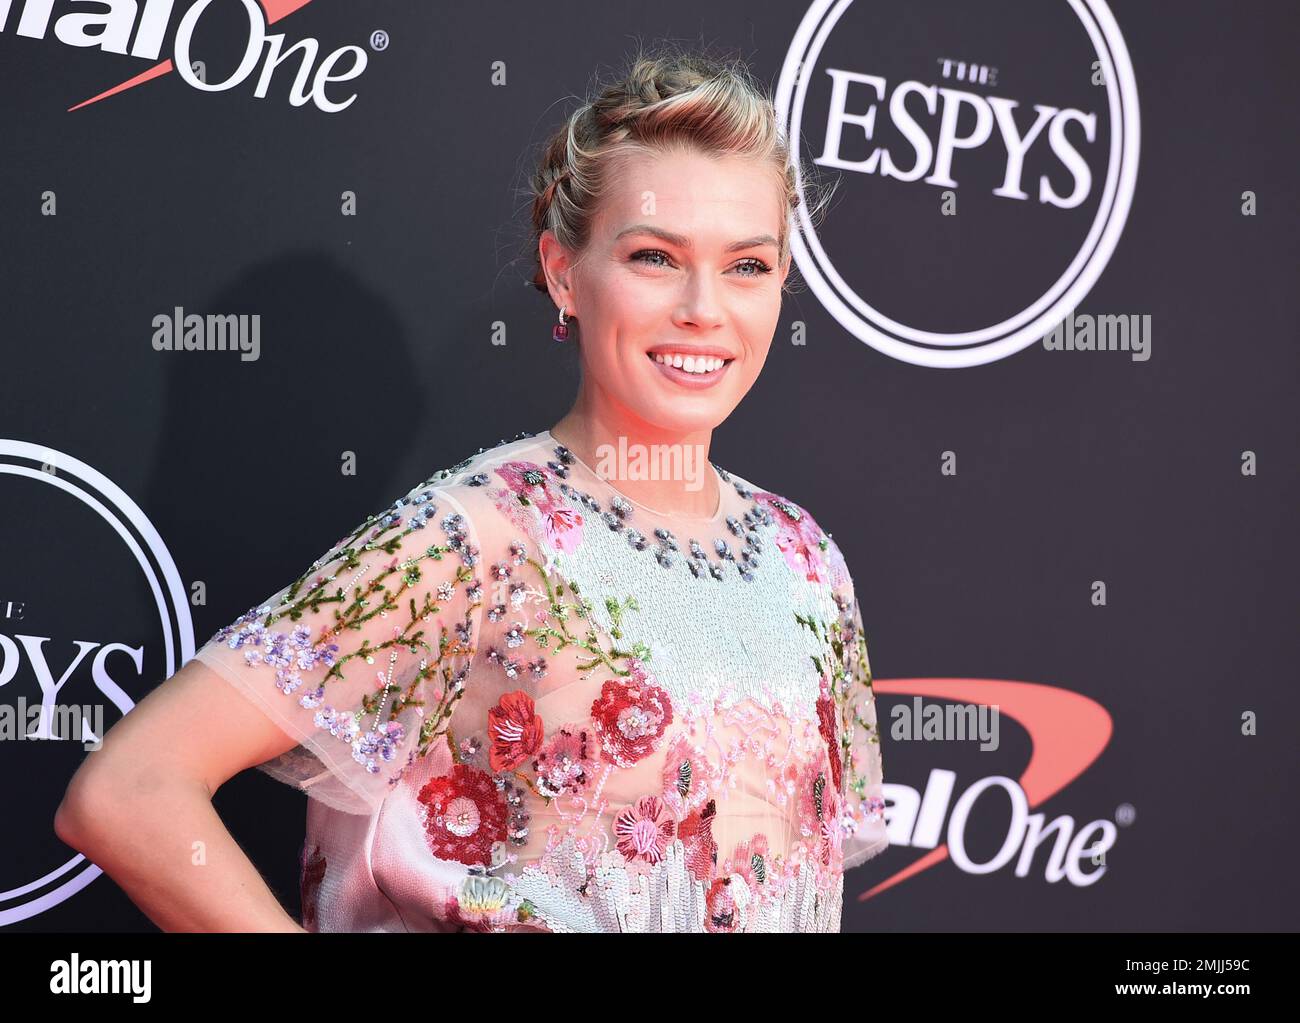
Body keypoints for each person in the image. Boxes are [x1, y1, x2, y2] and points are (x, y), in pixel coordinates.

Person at [54, 44, 887, 933]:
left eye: (748, 266)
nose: (703, 308)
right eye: (653, 256)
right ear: (565, 271)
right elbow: (128, 790)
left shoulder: (807, 563)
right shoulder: (479, 537)